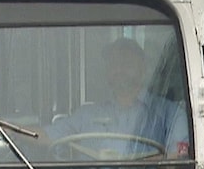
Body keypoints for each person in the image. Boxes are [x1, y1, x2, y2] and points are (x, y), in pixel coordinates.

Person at [37, 37, 189, 158]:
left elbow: (177, 158)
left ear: (143, 69)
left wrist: (129, 164)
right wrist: (13, 131)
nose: (119, 69)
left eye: (126, 63)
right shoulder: (87, 114)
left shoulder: (171, 114)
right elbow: (47, 135)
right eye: (113, 63)